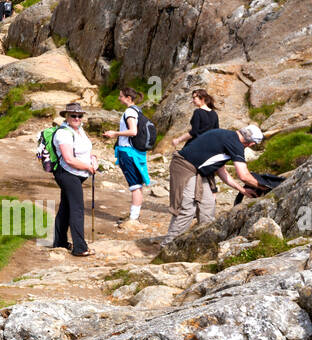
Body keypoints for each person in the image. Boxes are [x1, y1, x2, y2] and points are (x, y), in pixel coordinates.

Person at [159, 125, 266, 246]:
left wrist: (242, 190)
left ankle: (202, 244)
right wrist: (264, 187)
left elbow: (221, 171)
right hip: (183, 166)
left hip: (198, 171)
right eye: (253, 144)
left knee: (207, 204)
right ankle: (168, 246)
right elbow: (244, 175)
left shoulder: (225, 134)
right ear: (251, 143)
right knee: (187, 208)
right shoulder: (236, 144)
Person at [51, 102, 97, 257]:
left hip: (77, 174)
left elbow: (87, 150)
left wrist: (93, 159)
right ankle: (80, 248)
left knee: (66, 207)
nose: (77, 118)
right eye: (73, 115)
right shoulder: (63, 133)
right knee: (77, 210)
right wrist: (88, 167)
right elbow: (69, 159)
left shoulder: (80, 130)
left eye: (79, 115)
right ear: (66, 116)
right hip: (67, 174)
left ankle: (60, 242)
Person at [103, 86, 152, 230]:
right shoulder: (138, 110)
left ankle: (133, 219)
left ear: (128, 98)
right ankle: (134, 215)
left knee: (135, 186)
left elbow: (133, 131)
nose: (119, 98)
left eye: (121, 96)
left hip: (128, 152)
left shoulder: (130, 112)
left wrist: (114, 133)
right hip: (136, 152)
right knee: (137, 185)